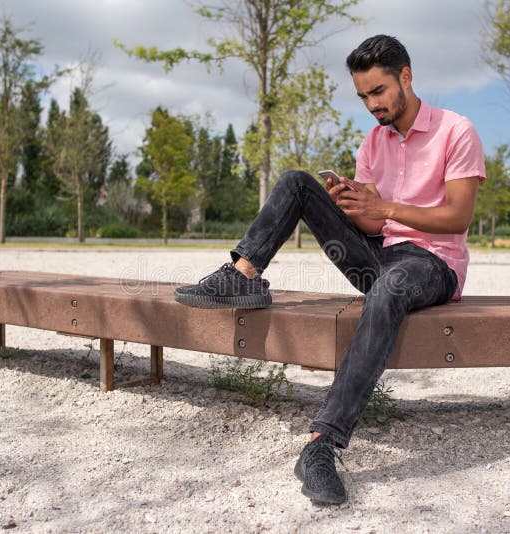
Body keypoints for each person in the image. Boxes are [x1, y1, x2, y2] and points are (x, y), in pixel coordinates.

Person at [174, 34, 485, 505]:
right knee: (298, 183)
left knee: (389, 287)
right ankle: (242, 272)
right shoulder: (372, 143)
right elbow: (372, 218)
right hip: (378, 255)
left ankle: (322, 444)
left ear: (406, 76)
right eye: (363, 96)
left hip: (432, 264)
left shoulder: (455, 130)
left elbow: (459, 217)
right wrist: (351, 204)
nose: (372, 105)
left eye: (378, 91)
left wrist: (385, 206)